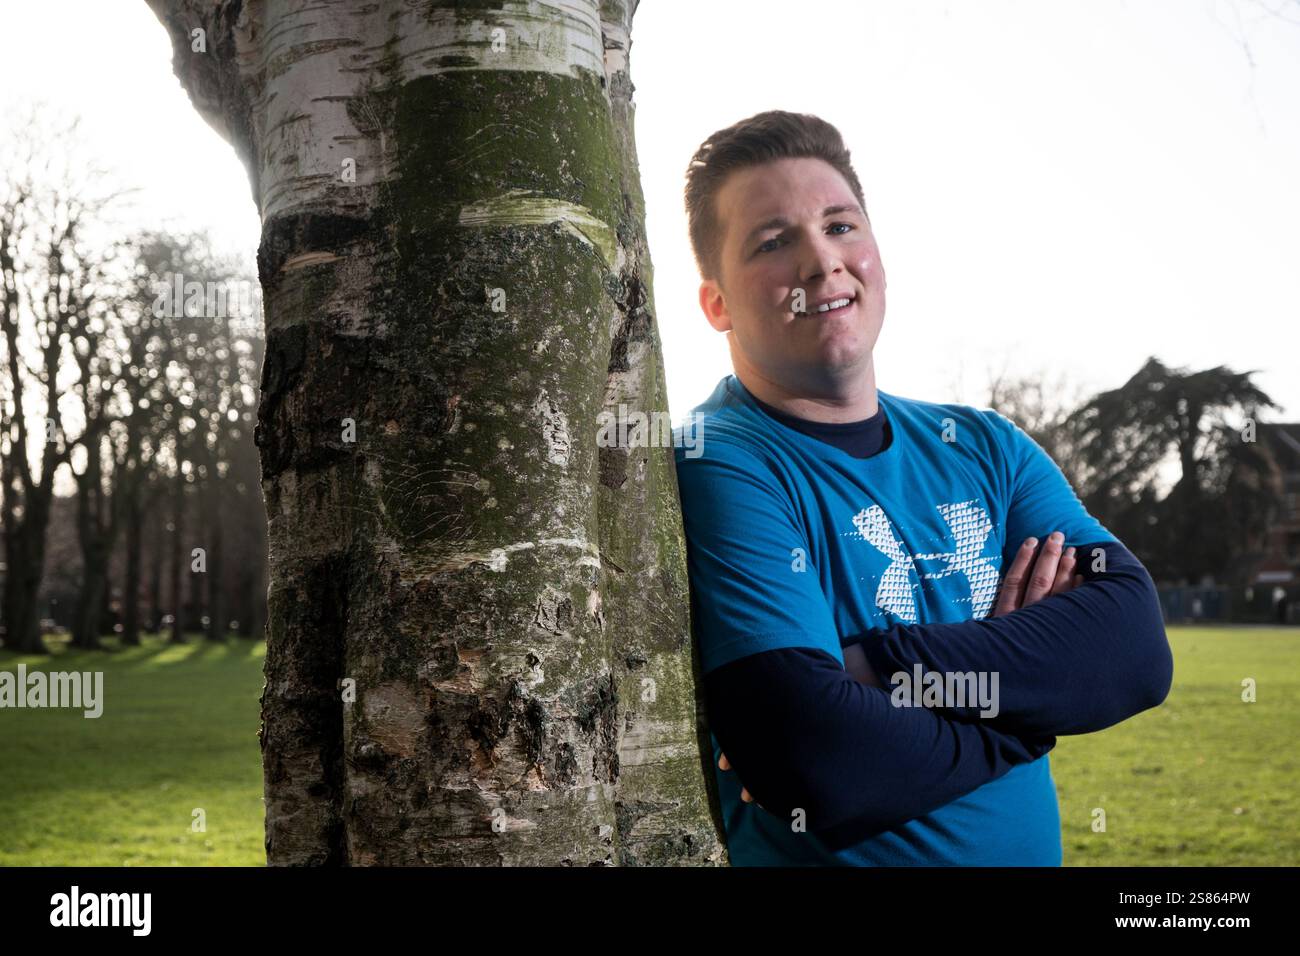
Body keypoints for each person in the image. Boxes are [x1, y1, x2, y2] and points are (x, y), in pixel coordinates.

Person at [673, 110, 1173, 865]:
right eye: (774, 242)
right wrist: (1025, 718)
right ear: (716, 304)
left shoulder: (987, 447)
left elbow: (1131, 649)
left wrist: (872, 668)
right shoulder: (722, 460)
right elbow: (817, 755)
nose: (822, 263)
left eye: (840, 226)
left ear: (875, 252)